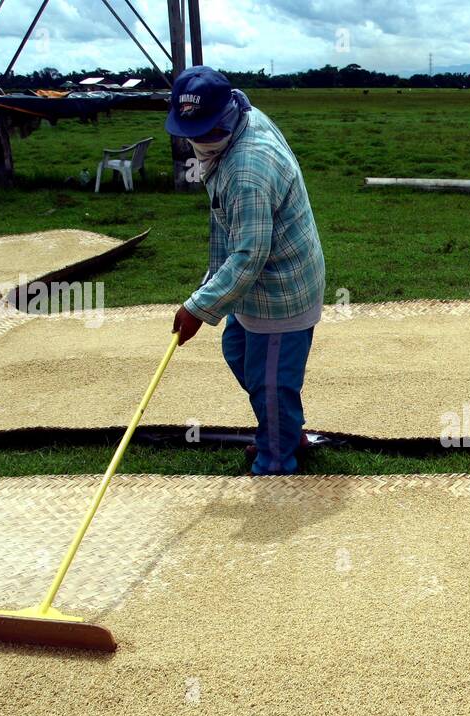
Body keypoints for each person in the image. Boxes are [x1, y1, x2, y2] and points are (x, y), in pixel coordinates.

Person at [166, 66, 325, 475]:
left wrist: (198, 308)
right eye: (191, 131)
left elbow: (249, 255)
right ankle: (288, 431)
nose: (198, 141)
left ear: (225, 119)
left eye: (205, 131)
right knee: (237, 351)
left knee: (270, 384)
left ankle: (276, 460)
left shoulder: (246, 170)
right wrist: (209, 292)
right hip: (254, 289)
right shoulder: (243, 112)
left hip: (280, 292)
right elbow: (232, 236)